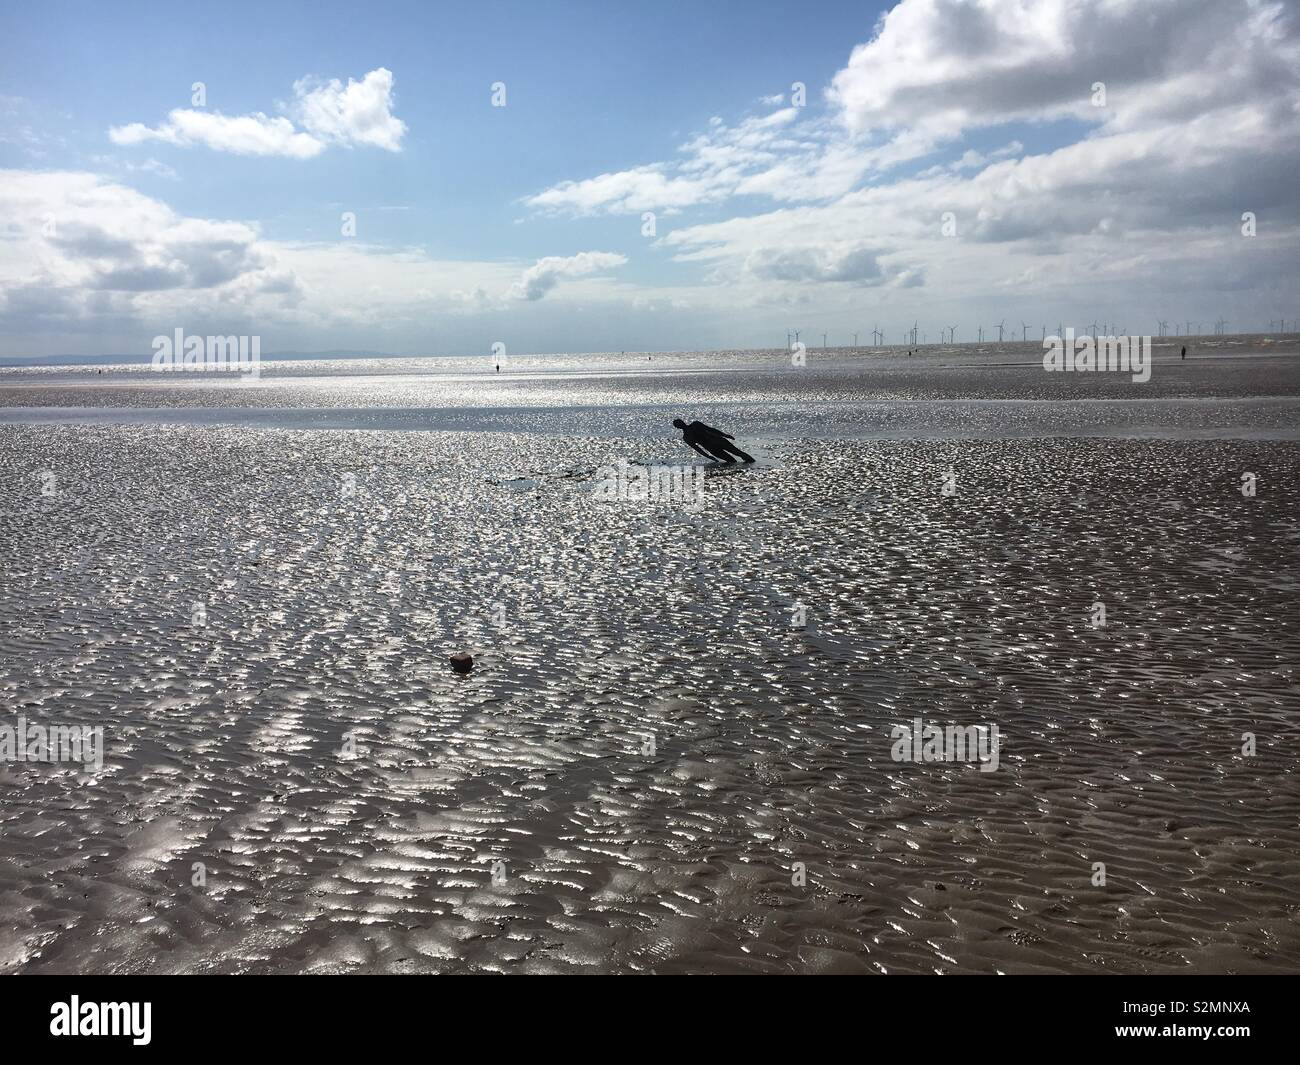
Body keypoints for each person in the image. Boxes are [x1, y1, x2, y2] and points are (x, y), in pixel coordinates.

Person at [672, 417, 755, 463]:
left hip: (717, 442)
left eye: (679, 423)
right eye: (678, 424)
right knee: (733, 459)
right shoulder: (687, 435)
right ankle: (749, 466)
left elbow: (711, 430)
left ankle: (751, 465)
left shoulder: (694, 426)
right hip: (714, 446)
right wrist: (709, 456)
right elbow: (698, 449)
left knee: (737, 455)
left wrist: (725, 435)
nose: (680, 424)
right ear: (678, 426)